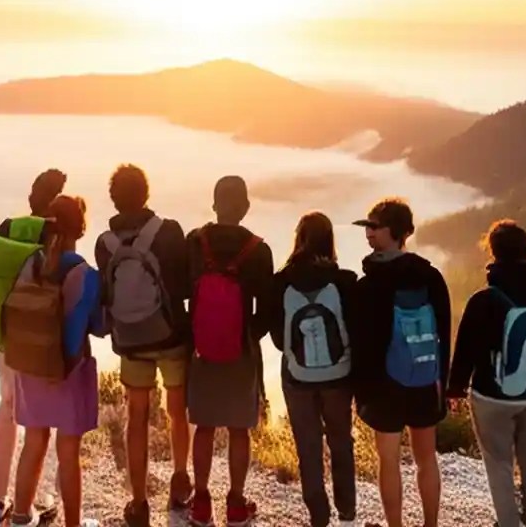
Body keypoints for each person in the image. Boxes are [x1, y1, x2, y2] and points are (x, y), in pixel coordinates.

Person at [93, 164, 192, 527]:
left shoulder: (104, 243)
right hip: (170, 336)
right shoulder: (168, 231)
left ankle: (138, 502)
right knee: (177, 410)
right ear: (146, 193)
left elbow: (106, 293)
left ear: (114, 199)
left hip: (130, 340)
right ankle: (181, 481)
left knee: (136, 416)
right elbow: (182, 285)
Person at [447, 221, 526, 527]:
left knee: (499, 464)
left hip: (492, 393)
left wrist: (454, 390)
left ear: (493, 254)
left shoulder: (484, 299)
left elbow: (465, 349)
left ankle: (508, 523)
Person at [352, 198, 449, 527]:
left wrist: (360, 392)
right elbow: (443, 331)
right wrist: (443, 383)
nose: (368, 234)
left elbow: (362, 343)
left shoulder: (370, 284)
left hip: (384, 385)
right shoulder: (431, 277)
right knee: (426, 459)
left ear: (393, 231)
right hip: (424, 376)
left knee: (389, 460)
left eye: (374, 227)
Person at [8, 195, 104, 527]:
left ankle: (20, 516)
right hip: (67, 369)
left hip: (30, 364)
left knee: (34, 441)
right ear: (81, 227)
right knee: (68, 452)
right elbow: (99, 325)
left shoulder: (31, 263)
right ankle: (73, 525)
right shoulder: (84, 274)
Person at [185, 176, 274, 527]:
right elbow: (266, 307)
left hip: (202, 350)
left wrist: (197, 333)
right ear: (246, 207)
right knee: (239, 429)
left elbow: (183, 289)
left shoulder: (196, 242)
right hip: (241, 351)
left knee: (204, 427)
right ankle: (236, 503)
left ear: (214, 205)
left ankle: (202, 502)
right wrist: (248, 336)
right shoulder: (258, 249)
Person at [0, 168, 67, 524]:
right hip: (37, 338)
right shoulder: (56, 236)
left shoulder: (6, 228)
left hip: (2, 332)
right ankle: (33, 501)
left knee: (8, 404)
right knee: (39, 419)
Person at [266, 212, 359, 527]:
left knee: (307, 444)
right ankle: (347, 511)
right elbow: (356, 329)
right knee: (340, 439)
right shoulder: (345, 280)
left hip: (297, 376)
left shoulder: (280, 282)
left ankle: (318, 514)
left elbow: (279, 339)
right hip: (339, 376)